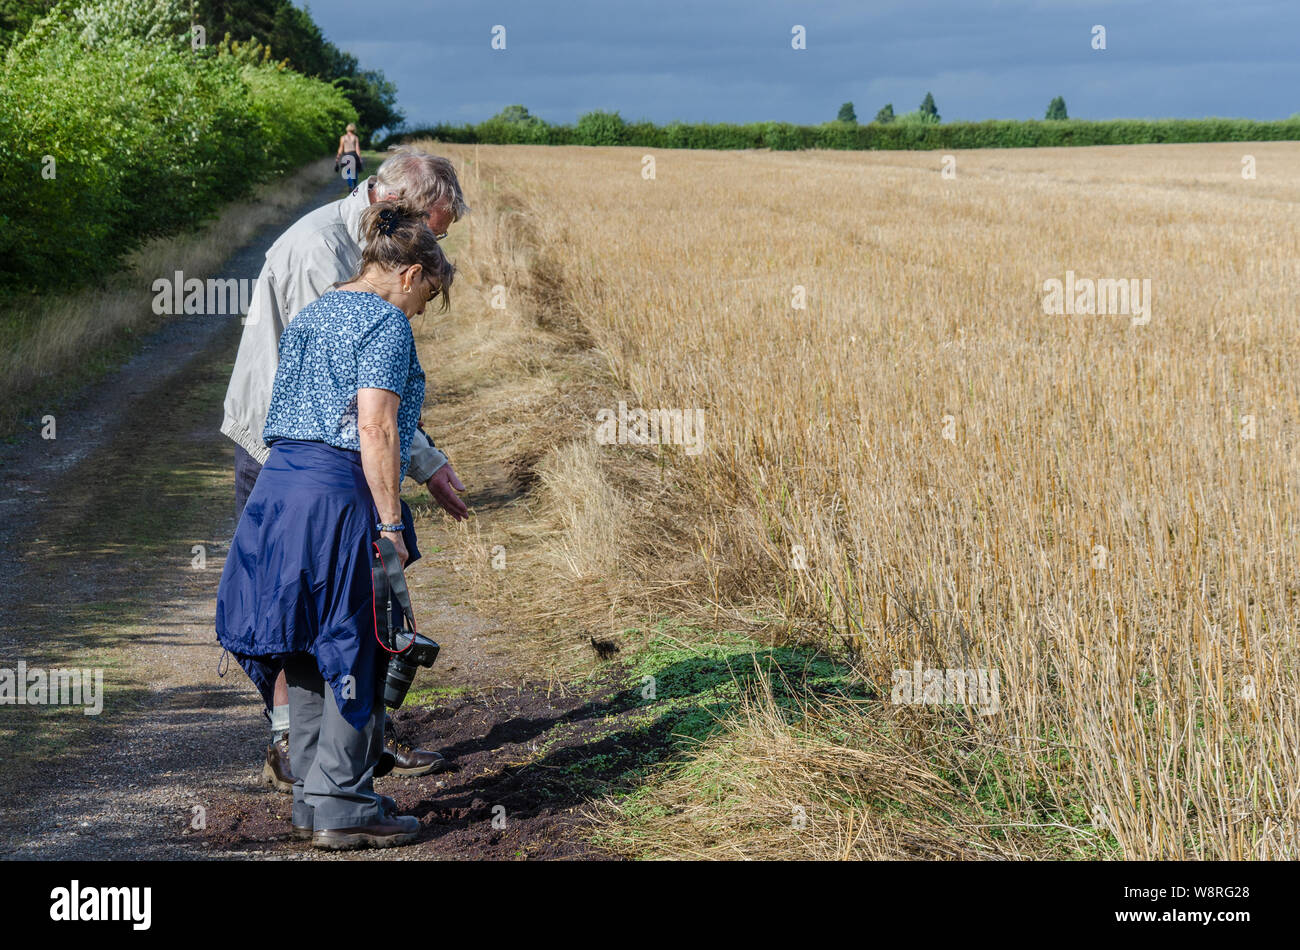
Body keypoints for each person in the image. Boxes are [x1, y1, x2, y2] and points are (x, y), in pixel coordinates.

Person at [222, 148, 471, 792]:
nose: (438, 246)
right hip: (294, 456)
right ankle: (318, 767)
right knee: (311, 615)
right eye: (435, 235)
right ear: (400, 219)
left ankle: (340, 761)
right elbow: (363, 413)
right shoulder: (321, 257)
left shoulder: (362, 269)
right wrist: (398, 506)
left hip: (310, 458)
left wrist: (425, 461)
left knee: (331, 611)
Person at [335, 123, 363, 190]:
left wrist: (337, 157)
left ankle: (350, 185)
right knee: (355, 171)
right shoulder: (355, 137)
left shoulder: (343, 137)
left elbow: (341, 148)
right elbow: (357, 149)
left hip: (347, 155)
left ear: (347, 129)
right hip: (354, 155)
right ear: (354, 129)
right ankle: (355, 185)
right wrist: (360, 158)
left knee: (348, 172)